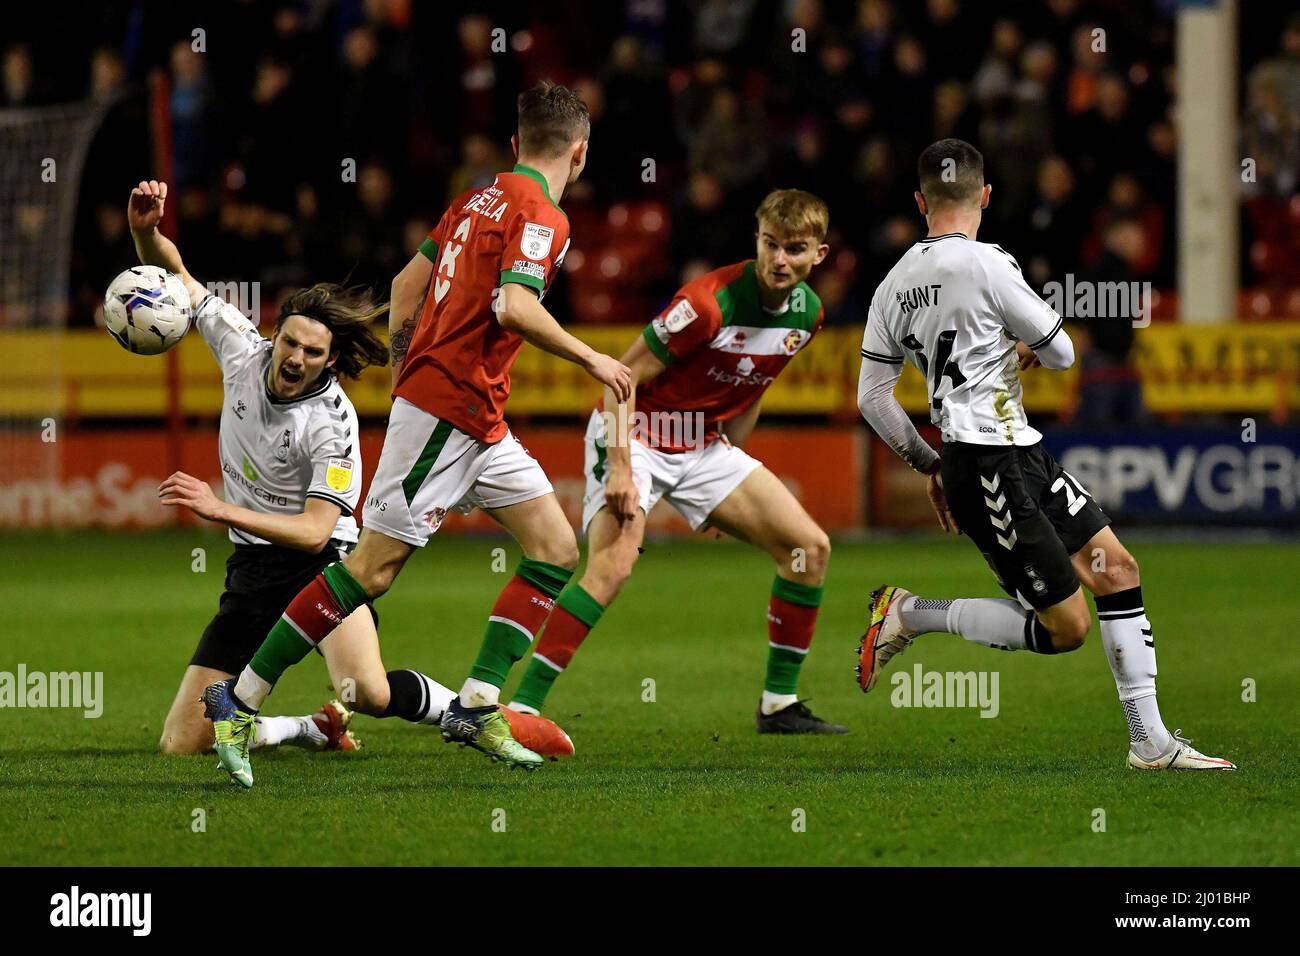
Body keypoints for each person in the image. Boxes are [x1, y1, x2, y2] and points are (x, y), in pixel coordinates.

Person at [202, 82, 632, 784]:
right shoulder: (542, 215)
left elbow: (407, 284)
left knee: (555, 548)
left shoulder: (476, 198)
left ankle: (477, 705)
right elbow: (515, 306)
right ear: (579, 152)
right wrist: (591, 358)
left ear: (518, 144)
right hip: (446, 414)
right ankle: (240, 701)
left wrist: (411, 373)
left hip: (472, 417)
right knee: (370, 570)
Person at [128, 180, 572, 775]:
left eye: (313, 353)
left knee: (367, 692)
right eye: (290, 342)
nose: (295, 358)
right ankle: (306, 727)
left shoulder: (333, 424)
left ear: (331, 361)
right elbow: (177, 276)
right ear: (276, 332)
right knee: (181, 740)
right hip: (253, 573)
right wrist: (144, 232)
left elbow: (316, 533)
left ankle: (476, 714)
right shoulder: (240, 348)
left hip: (324, 566)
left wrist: (219, 507)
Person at [854, 139, 1235, 771]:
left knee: (1117, 568)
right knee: (1067, 629)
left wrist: (930, 464)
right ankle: (911, 613)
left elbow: (873, 397)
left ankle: (1151, 742)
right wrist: (1027, 349)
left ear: (920, 202)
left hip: (1010, 452)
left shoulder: (892, 286)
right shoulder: (991, 264)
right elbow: (1062, 353)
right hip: (987, 465)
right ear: (986, 196)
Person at [508, 189, 849, 735]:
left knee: (809, 548)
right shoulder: (708, 304)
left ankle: (779, 706)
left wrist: (728, 480)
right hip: (637, 433)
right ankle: (521, 709)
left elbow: (752, 386)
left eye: (795, 249)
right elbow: (622, 376)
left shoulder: (809, 316)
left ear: (820, 255)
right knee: (613, 566)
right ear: (756, 241)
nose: (779, 260)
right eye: (770, 245)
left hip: (704, 445)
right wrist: (621, 467)